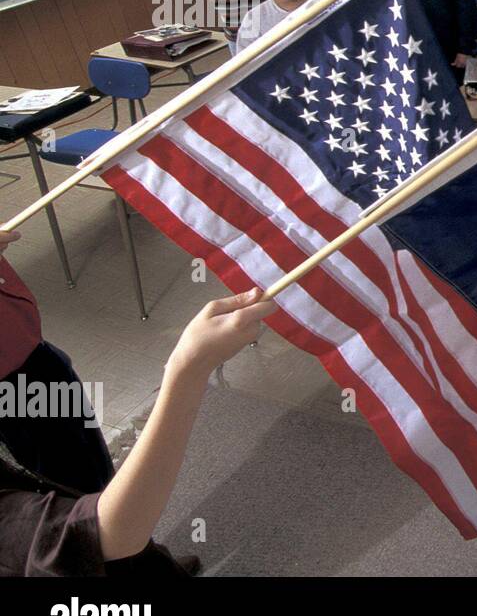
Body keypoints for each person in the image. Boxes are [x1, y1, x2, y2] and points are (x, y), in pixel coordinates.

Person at [0, 227, 276, 576]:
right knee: (78, 524)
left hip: (25, 353)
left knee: (91, 476)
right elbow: (97, 535)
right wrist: (188, 370)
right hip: (13, 385)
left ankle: (143, 563)